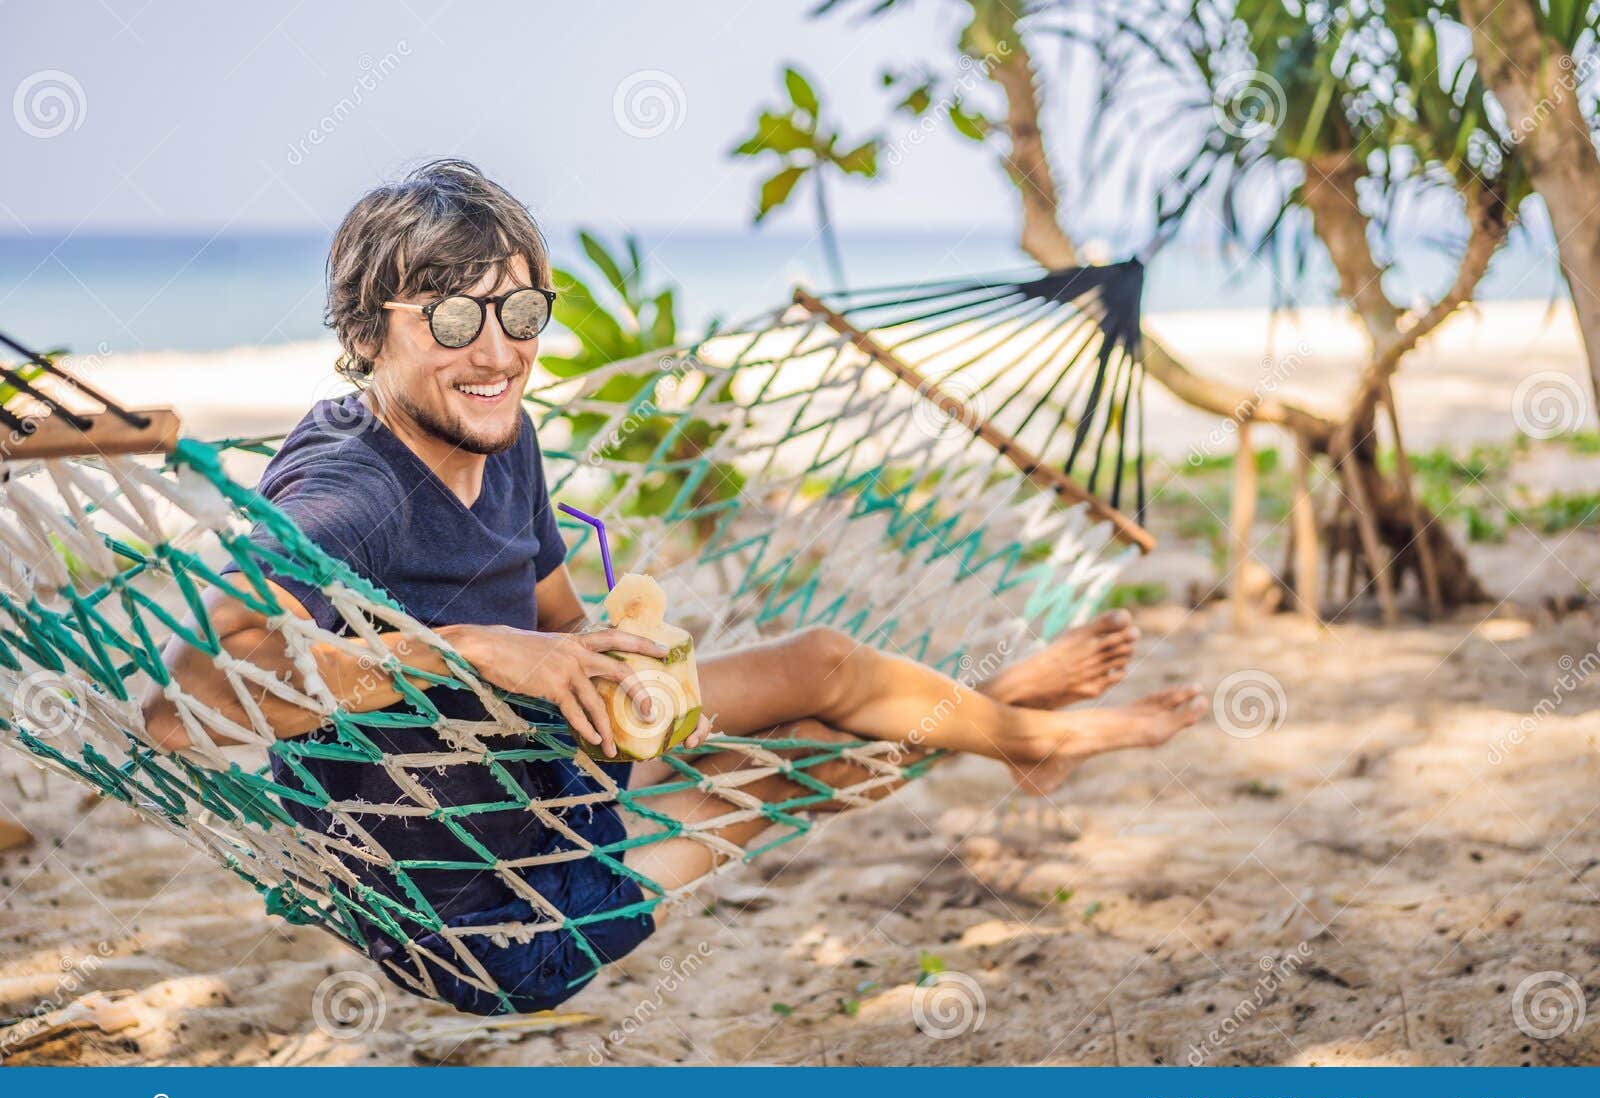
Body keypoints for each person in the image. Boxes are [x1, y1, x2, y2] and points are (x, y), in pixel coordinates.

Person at [142, 159, 1205, 1015]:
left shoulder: (503, 437)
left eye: (519, 311)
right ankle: (1020, 724)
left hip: (547, 760)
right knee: (794, 772)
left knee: (822, 662)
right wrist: (467, 648)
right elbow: (190, 704)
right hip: (488, 911)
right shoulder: (348, 490)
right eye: (452, 319)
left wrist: (605, 650)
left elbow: (558, 618)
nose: (498, 349)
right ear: (367, 334)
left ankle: (1005, 724)